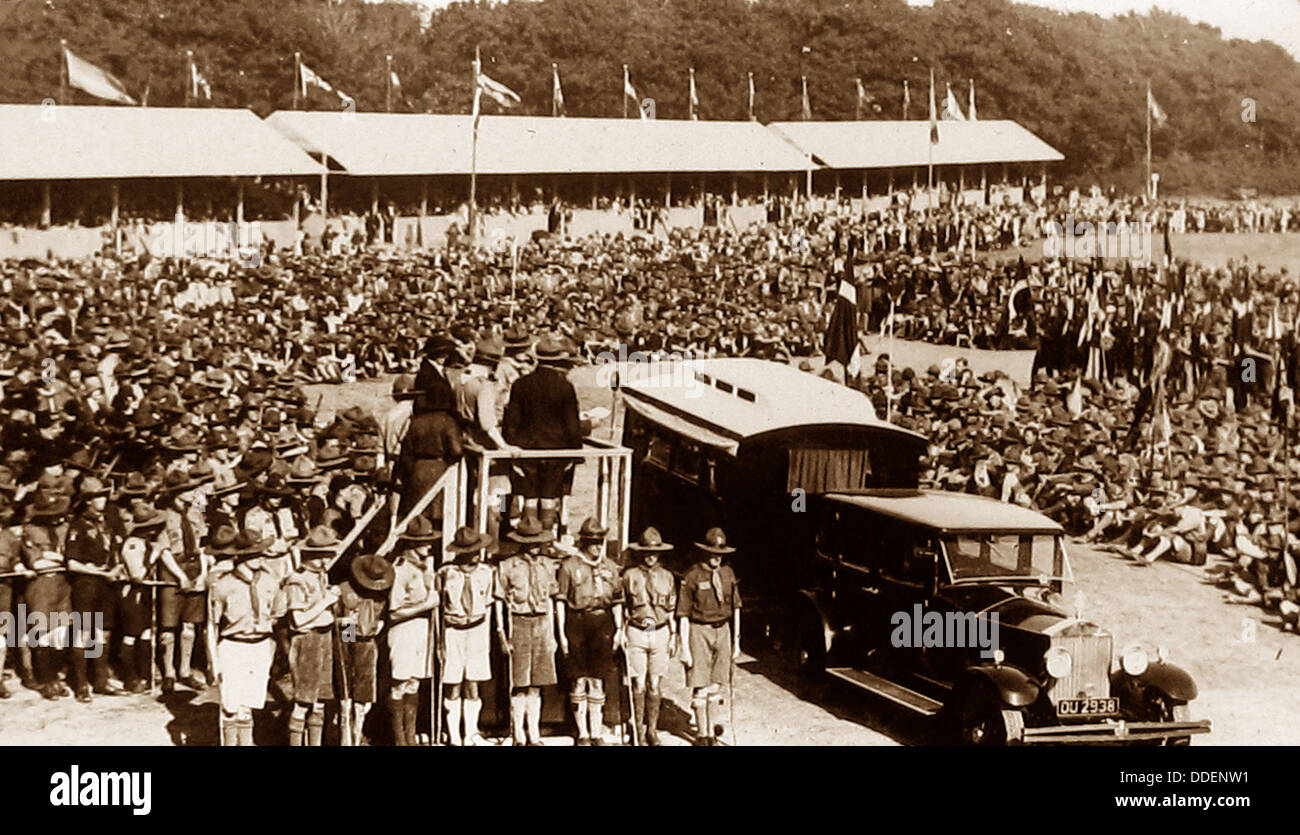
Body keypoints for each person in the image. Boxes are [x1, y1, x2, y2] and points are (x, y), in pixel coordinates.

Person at [209, 528, 285, 746]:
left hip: (260, 645)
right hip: (233, 646)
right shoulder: (222, 585)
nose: (261, 556)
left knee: (249, 703)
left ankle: (246, 742)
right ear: (240, 555)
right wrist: (213, 660)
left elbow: (278, 613)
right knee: (231, 704)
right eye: (255, 553)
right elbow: (211, 626)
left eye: (262, 551)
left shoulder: (270, 581)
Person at [503, 333, 583, 532]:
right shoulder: (565, 387)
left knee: (529, 498)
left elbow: (512, 421)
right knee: (549, 499)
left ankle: (529, 537)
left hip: (527, 451)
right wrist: (576, 451)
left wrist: (510, 446)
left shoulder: (521, 384)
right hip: (556, 452)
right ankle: (546, 542)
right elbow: (572, 424)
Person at [555, 517, 624, 745]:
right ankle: (582, 732)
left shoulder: (610, 567)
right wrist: (562, 635)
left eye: (600, 541)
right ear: (583, 542)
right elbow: (561, 602)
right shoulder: (569, 566)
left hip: (602, 623)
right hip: (576, 623)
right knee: (578, 679)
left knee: (597, 679)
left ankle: (596, 731)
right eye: (592, 541)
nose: (597, 546)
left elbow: (616, 601)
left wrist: (619, 629)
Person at [493, 513, 559, 746]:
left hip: (541, 624)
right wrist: (502, 633)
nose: (535, 547)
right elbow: (499, 601)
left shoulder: (548, 565)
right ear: (521, 542)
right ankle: (518, 734)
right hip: (518, 623)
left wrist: (552, 635)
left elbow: (551, 600)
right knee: (519, 682)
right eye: (530, 543)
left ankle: (534, 733)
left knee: (537, 683)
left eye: (538, 542)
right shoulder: (507, 566)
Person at [676, 526, 741, 746]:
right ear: (705, 552)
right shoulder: (692, 576)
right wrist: (684, 647)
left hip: (723, 630)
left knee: (716, 685)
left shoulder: (728, 573)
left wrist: (736, 641)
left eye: (720, 554)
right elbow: (683, 614)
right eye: (713, 553)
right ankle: (702, 734)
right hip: (699, 630)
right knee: (700, 685)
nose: (717, 558)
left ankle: (712, 734)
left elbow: (737, 607)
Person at [279, 525, 340, 746]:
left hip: (324, 640)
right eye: (321, 557)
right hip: (307, 643)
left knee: (321, 700)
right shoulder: (297, 580)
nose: (326, 562)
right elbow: (298, 621)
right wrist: (326, 602)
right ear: (309, 555)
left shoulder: (321, 575)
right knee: (303, 700)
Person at [436, 526, 496, 746]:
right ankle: (453, 736)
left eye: (475, 550)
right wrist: (440, 642)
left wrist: (487, 638)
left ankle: (470, 733)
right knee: (453, 683)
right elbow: (439, 608)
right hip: (453, 631)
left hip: (477, 630)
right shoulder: (445, 573)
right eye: (467, 551)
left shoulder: (487, 572)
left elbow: (488, 605)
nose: (472, 555)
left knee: (473, 682)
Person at [64, 476, 122, 700]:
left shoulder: (109, 521)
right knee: (82, 632)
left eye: (103, 496)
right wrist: (99, 572)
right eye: (97, 497)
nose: (102, 501)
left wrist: (116, 568)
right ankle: (81, 684)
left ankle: (100, 680)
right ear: (88, 501)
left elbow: (118, 548)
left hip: (107, 585)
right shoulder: (78, 525)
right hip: (86, 585)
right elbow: (72, 562)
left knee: (102, 632)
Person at [621, 526, 677, 745]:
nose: (651, 556)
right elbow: (622, 605)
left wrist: (673, 635)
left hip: (660, 633)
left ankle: (652, 730)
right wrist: (622, 631)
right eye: (646, 552)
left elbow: (671, 608)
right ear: (640, 552)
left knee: (654, 684)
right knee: (638, 685)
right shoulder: (629, 576)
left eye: (654, 552)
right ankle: (637, 731)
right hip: (636, 632)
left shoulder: (668, 577)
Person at [386, 515, 439, 746]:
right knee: (400, 683)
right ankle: (399, 739)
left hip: (422, 629)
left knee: (414, 682)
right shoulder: (400, 570)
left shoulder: (426, 567)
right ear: (411, 544)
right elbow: (393, 612)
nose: (429, 545)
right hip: (404, 630)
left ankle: (411, 736)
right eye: (424, 541)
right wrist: (425, 605)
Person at [337, 552, 393, 746]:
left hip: (369, 642)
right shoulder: (345, 590)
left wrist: (373, 631)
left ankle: (357, 732)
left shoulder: (382, 593)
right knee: (346, 687)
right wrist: (350, 634)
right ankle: (345, 737)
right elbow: (343, 620)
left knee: (364, 691)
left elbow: (384, 617)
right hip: (348, 637)